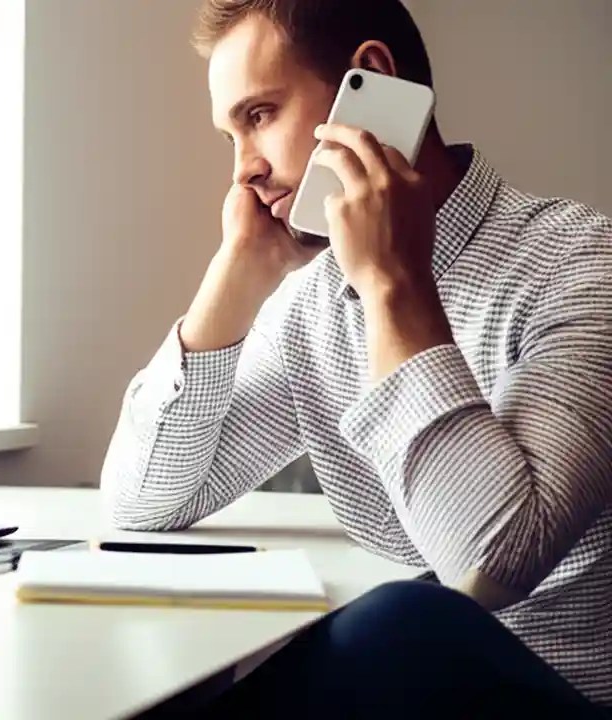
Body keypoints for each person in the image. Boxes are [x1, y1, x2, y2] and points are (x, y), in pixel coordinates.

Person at [99, 0, 612, 715]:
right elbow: (142, 502)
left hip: (565, 697)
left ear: (368, 81)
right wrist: (234, 276)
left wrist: (392, 284)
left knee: (402, 620)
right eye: (230, 134)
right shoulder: (312, 305)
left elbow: (489, 566)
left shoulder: (584, 264)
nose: (244, 169)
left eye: (259, 116)